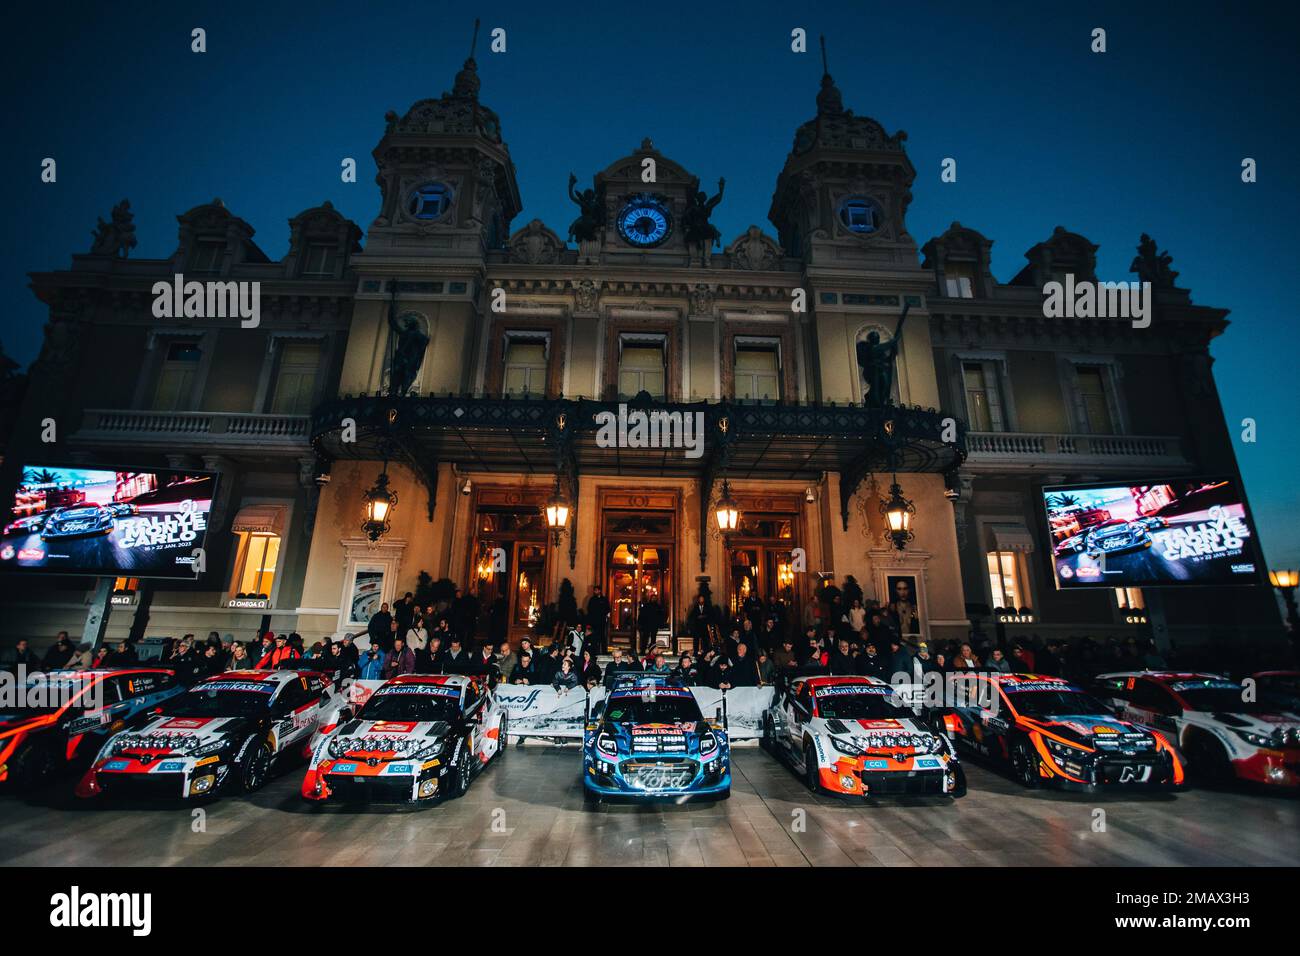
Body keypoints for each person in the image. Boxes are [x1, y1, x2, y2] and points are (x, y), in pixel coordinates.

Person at [586, 585, 611, 655]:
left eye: (596, 590)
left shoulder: (604, 599)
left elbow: (608, 609)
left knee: (602, 636)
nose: (595, 592)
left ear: (599, 591)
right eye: (594, 590)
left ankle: (604, 651)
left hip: (602, 621)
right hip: (594, 621)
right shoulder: (592, 599)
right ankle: (595, 651)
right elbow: (589, 609)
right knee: (594, 636)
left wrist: (604, 615)